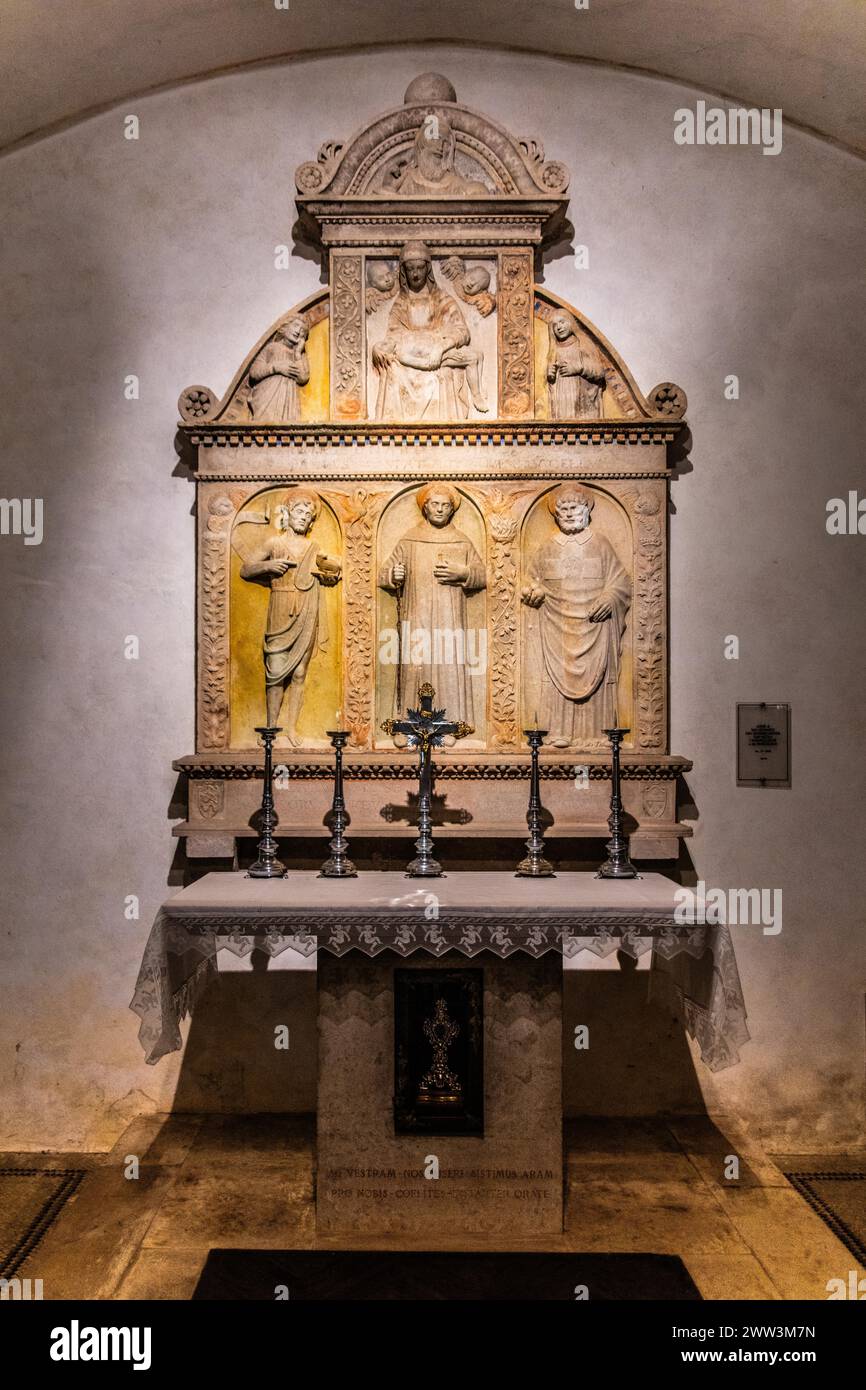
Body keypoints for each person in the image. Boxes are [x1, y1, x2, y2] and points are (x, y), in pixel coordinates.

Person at [521, 486, 630, 746]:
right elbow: (528, 581)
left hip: (594, 626)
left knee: (599, 677)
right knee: (556, 679)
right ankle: (560, 732)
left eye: (574, 508)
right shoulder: (548, 547)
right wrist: (532, 591)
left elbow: (621, 584)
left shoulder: (600, 544)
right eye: (564, 510)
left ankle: (598, 735)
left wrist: (609, 598)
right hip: (557, 627)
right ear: (557, 514)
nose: (569, 514)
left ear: (586, 511)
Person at [379, 483, 485, 738]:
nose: (440, 509)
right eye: (434, 504)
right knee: (417, 663)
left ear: (452, 509)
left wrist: (464, 573)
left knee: (449, 663)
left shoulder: (462, 540)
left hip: (450, 619)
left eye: (445, 505)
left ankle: (452, 727)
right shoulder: (409, 539)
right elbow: (384, 572)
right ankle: (413, 727)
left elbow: (482, 575)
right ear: (425, 507)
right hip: (417, 618)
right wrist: (394, 574)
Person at [240, 492, 341, 743]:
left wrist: (329, 572)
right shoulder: (274, 543)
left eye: (308, 515)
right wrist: (268, 566)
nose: (303, 518)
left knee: (299, 673)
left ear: (311, 521)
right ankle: (271, 727)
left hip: (307, 609)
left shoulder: (314, 548)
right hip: (280, 605)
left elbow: (329, 574)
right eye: (298, 512)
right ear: (287, 514)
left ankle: (293, 728)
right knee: (274, 671)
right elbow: (245, 569)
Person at [372, 241, 488, 420]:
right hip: (412, 356)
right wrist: (378, 348)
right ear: (404, 271)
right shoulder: (401, 304)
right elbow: (393, 335)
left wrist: (440, 348)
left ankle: (477, 395)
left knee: (470, 359)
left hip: (437, 353)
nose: (416, 274)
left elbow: (462, 331)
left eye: (419, 268)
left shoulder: (441, 298)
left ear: (428, 269)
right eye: (411, 269)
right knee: (393, 369)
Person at [546, 309, 606, 419]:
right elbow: (552, 384)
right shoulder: (554, 350)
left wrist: (579, 368)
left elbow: (599, 372)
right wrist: (551, 376)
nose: (559, 327)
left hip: (582, 403)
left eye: (562, 322)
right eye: (555, 325)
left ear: (571, 322)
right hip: (563, 403)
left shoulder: (583, 343)